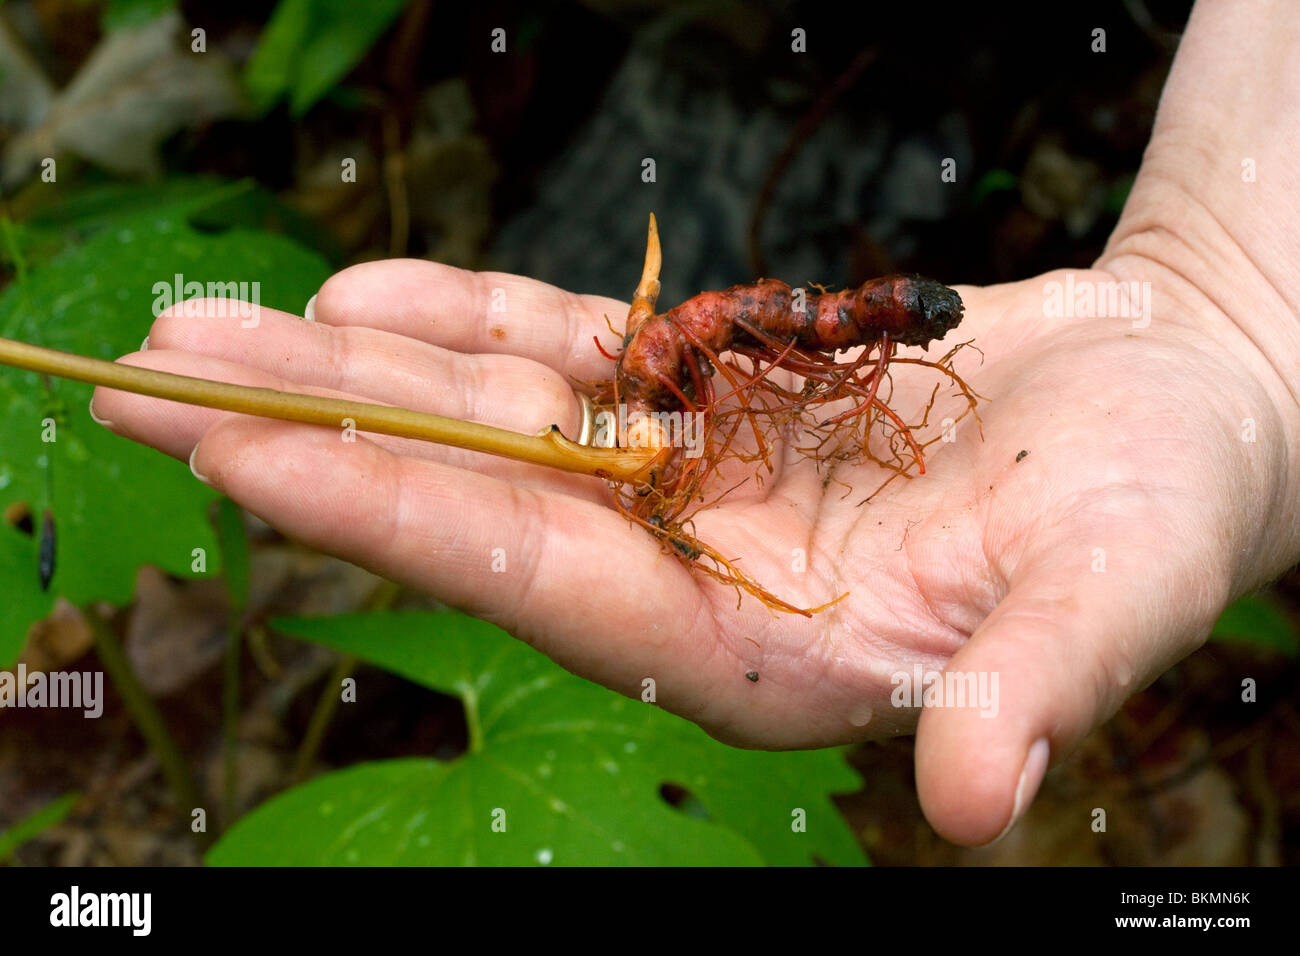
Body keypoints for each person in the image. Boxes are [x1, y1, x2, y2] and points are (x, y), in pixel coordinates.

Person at [91, 0, 1300, 847]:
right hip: (701, 293)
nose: (907, 338)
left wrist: (1235, 305)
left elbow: (820, 338)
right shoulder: (716, 350)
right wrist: (1226, 289)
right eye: (908, 321)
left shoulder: (828, 330)